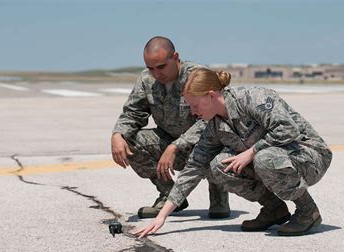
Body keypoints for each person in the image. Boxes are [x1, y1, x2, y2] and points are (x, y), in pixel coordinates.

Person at [134, 68, 332, 237]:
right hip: (279, 160)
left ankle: (308, 212)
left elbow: (288, 130)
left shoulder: (253, 99)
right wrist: (162, 217)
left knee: (264, 158)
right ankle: (274, 209)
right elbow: (194, 167)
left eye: (195, 105)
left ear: (211, 95)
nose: (193, 112)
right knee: (218, 165)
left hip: (309, 156)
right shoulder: (214, 125)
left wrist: (252, 151)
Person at [111, 37, 231, 219]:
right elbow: (133, 113)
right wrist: (118, 134)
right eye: (151, 68)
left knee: (218, 142)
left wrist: (176, 145)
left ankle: (219, 197)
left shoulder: (198, 76)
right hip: (169, 141)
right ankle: (169, 195)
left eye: (161, 67)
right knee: (130, 141)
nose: (156, 73)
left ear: (175, 57)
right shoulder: (147, 80)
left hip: (205, 144)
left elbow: (212, 118)